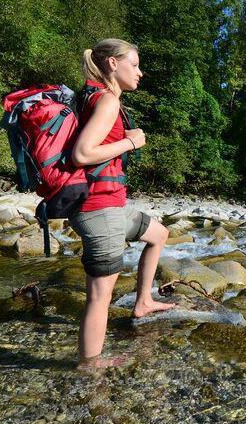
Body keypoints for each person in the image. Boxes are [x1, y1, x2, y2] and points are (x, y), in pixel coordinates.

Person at [69, 38, 175, 369]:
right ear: (113, 64)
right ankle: (90, 366)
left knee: (159, 234)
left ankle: (143, 301)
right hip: (99, 210)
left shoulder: (94, 96)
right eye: (135, 64)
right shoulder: (106, 101)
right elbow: (82, 154)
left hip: (113, 206)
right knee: (99, 298)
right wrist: (130, 141)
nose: (140, 72)